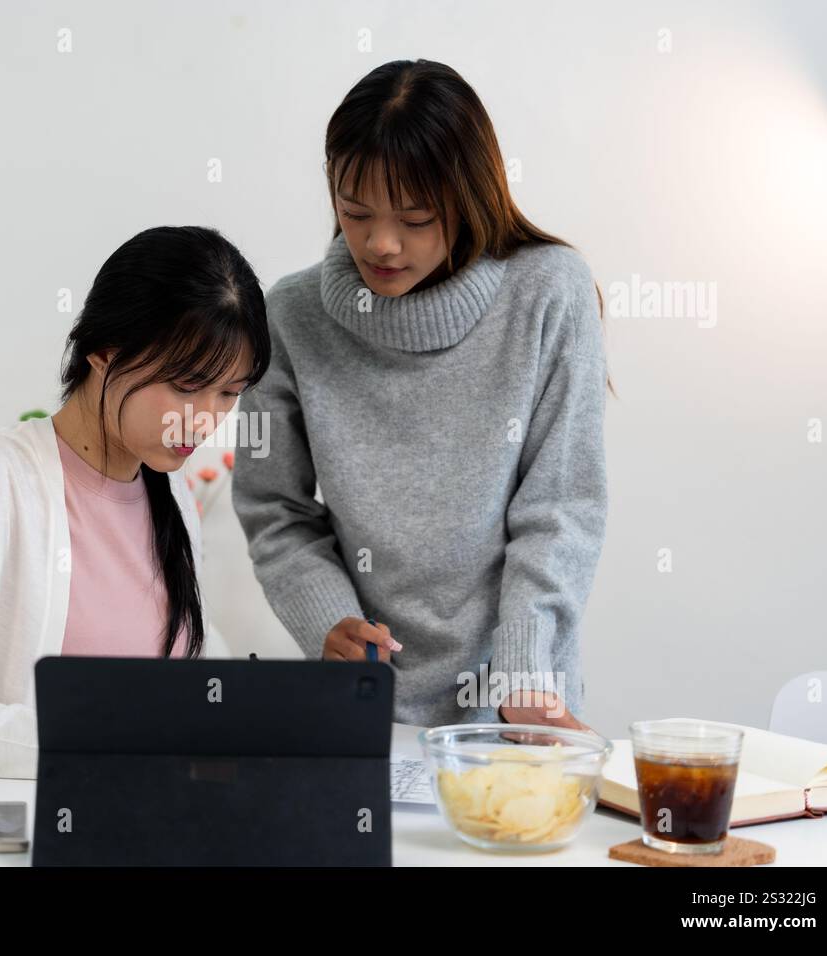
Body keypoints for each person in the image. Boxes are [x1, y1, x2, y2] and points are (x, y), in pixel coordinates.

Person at [232, 60, 612, 731]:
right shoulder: (290, 316)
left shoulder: (551, 293)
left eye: (415, 217)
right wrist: (330, 620)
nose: (381, 242)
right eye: (356, 213)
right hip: (362, 709)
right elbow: (275, 507)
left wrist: (524, 673)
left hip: (517, 705)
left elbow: (560, 507)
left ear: (469, 198)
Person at [0, 225, 270, 784]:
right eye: (184, 384)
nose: (202, 420)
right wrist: (100, 740)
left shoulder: (172, 493)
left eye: (228, 393)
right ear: (104, 351)